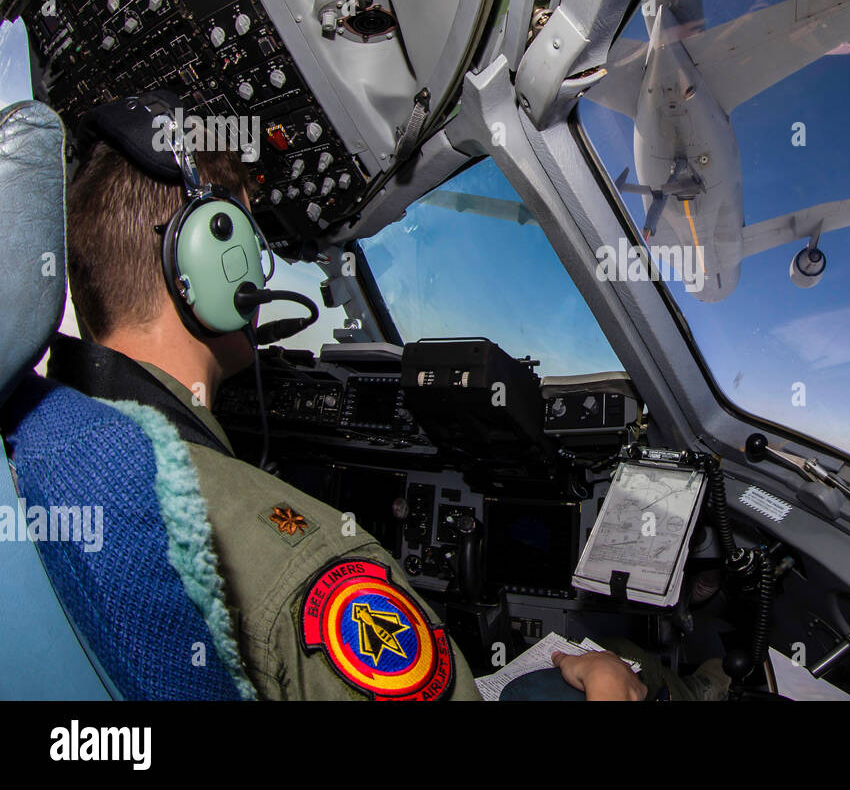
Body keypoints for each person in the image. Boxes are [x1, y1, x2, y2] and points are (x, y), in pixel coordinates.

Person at [54, 94, 652, 701]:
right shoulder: (305, 565)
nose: (258, 279)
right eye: (250, 249)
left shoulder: (49, 448)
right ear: (208, 263)